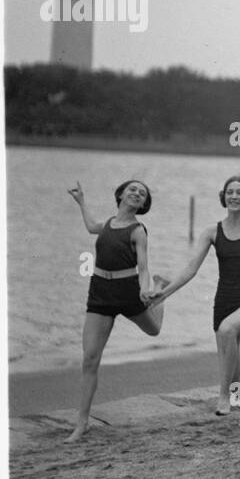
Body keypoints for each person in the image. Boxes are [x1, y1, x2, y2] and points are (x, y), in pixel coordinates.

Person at [144, 175, 240, 418]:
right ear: (223, 197)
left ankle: (223, 397)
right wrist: (163, 294)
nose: (234, 196)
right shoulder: (212, 231)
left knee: (227, 330)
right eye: (229, 192)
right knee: (234, 369)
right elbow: (191, 268)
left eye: (239, 192)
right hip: (224, 300)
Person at [65, 179, 169, 442]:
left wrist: (147, 287)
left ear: (144, 204)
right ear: (121, 194)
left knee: (154, 330)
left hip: (128, 291)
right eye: (133, 189)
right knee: (90, 359)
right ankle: (82, 423)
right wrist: (81, 201)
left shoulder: (138, 231)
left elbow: (143, 266)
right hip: (99, 292)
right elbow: (91, 227)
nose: (137, 193)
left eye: (142, 193)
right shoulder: (109, 223)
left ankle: (161, 292)